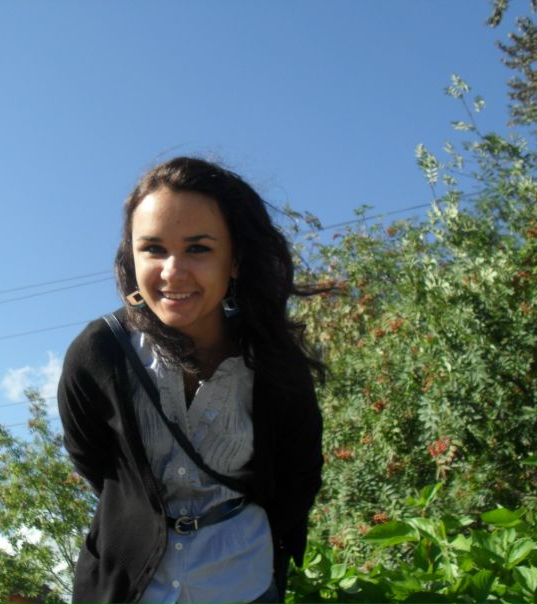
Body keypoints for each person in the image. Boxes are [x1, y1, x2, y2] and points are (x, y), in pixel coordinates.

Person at [58, 156, 324, 604]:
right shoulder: (98, 353)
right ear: (131, 256)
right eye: (153, 248)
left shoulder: (274, 364)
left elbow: (299, 474)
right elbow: (94, 461)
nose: (172, 271)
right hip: (129, 587)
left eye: (198, 248)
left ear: (234, 260)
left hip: (244, 582)